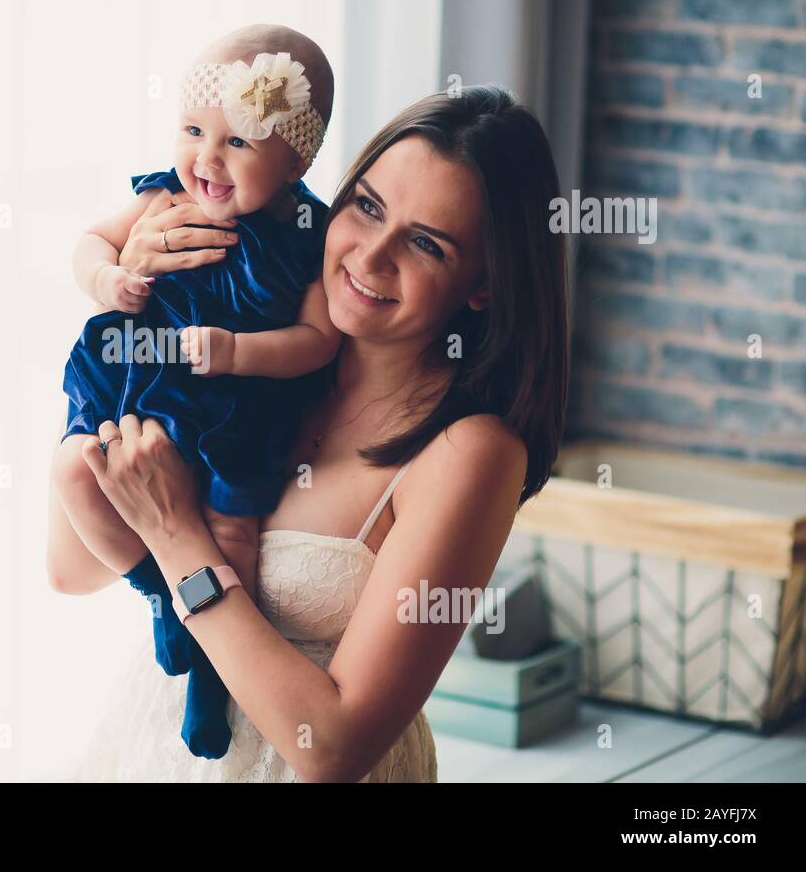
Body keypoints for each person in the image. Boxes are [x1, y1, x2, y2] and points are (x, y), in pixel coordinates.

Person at [51, 86, 569, 781]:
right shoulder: (252, 350)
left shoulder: (469, 453)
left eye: (425, 244)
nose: (370, 257)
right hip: (153, 751)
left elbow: (334, 747)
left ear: (484, 283)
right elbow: (69, 569)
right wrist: (140, 299)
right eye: (367, 207)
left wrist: (180, 543)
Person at [50, 24, 340, 758]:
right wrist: (106, 280)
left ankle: (215, 672)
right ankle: (160, 595)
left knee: (233, 532)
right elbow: (90, 241)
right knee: (73, 471)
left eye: (239, 143)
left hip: (234, 408)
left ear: (296, 158)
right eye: (192, 131)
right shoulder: (160, 196)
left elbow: (318, 341)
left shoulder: (310, 232)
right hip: (142, 386)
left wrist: (239, 351)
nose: (206, 158)